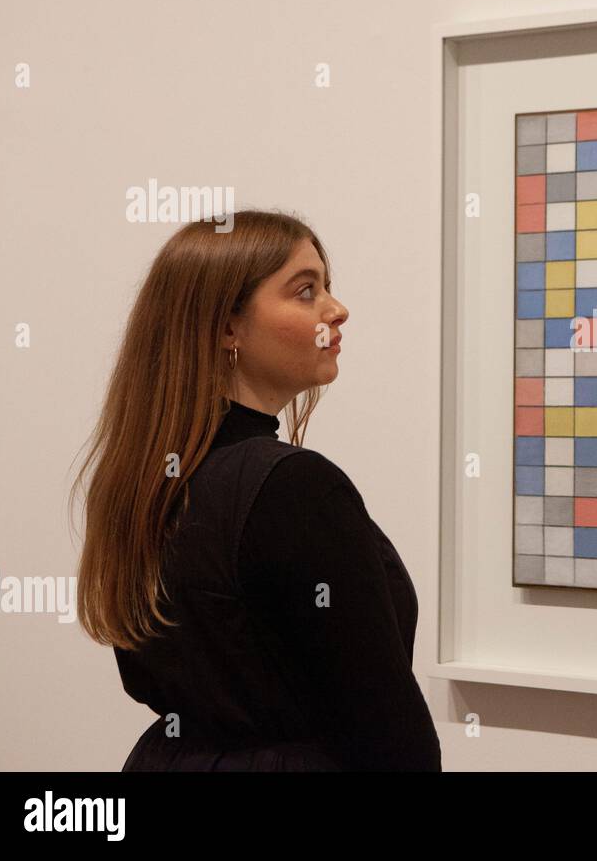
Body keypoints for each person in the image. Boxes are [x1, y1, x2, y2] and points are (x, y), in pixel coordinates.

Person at [70, 209, 441, 771]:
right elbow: (387, 727)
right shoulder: (291, 485)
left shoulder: (140, 480)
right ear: (226, 326)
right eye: (305, 291)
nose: (336, 310)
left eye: (328, 287)